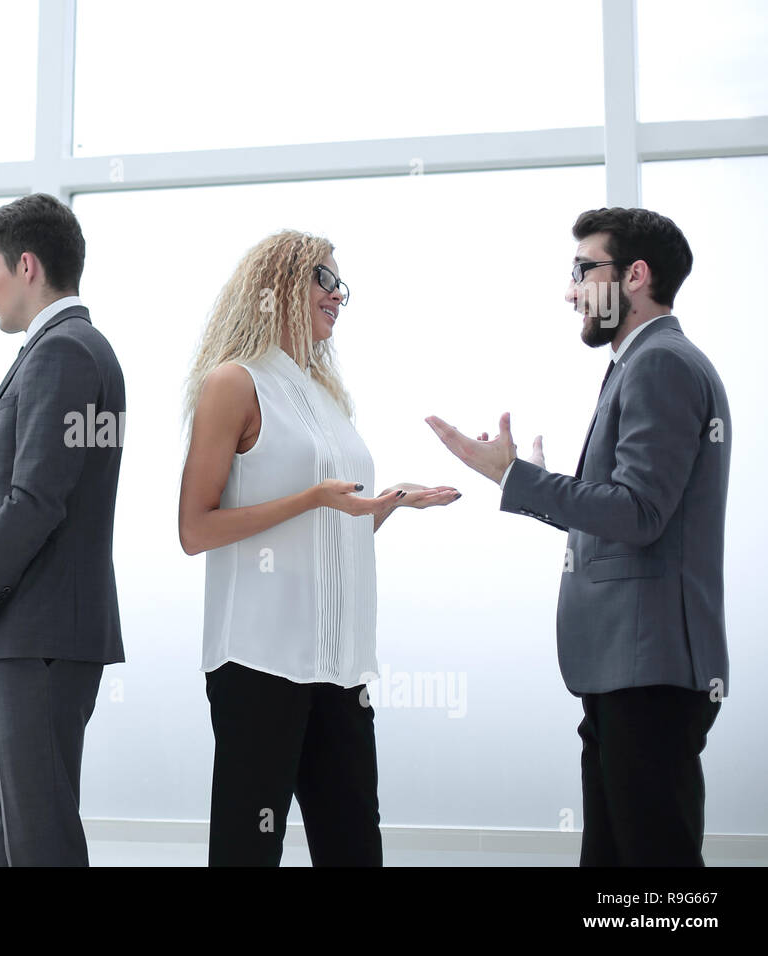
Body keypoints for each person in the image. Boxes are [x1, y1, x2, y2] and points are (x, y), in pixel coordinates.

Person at [426, 207, 729, 866]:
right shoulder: (639, 363)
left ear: (636, 275)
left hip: (648, 672)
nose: (570, 291)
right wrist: (528, 484)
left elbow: (638, 512)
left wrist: (517, 479)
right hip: (629, 672)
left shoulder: (660, 364)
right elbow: (630, 514)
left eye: (582, 270)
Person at [179, 229, 460, 867]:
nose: (339, 295)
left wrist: (382, 506)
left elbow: (332, 527)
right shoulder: (235, 383)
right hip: (259, 662)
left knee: (355, 847)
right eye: (324, 280)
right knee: (248, 853)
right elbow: (195, 530)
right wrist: (312, 500)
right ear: (278, 286)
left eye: (342, 284)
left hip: (338, 666)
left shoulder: (330, 400)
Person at [0, 193, 126, 866]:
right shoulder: (81, 349)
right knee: (21, 836)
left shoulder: (62, 354)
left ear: (28, 266)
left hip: (40, 635)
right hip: (40, 635)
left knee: (36, 843)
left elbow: (34, 501)